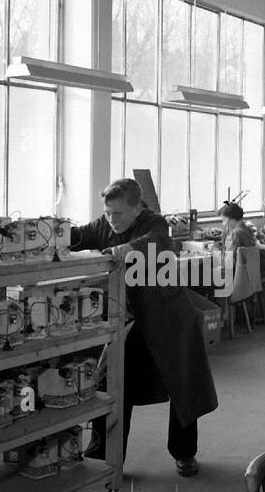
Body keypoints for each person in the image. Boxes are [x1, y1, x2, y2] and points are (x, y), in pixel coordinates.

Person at [70, 178, 217, 476]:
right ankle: (104, 457)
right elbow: (78, 236)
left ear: (137, 209)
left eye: (119, 214)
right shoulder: (106, 223)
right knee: (111, 381)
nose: (112, 220)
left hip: (171, 318)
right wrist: (54, 232)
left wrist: (123, 250)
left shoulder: (155, 223)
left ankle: (185, 454)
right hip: (133, 320)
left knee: (182, 385)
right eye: (108, 212)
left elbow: (160, 243)